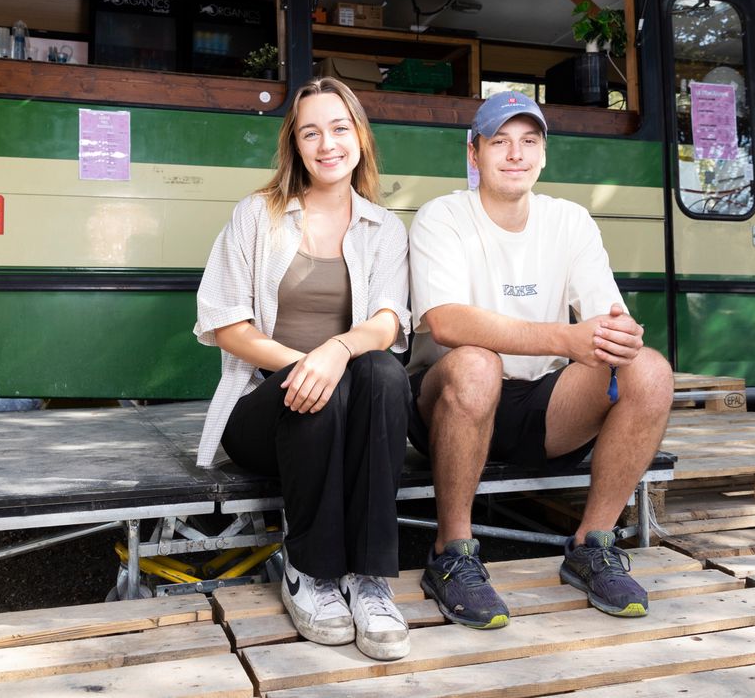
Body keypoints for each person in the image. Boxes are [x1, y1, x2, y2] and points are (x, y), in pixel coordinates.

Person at [407, 91, 673, 628]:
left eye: (528, 142)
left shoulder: (569, 220)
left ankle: (592, 545)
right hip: (449, 397)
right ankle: (452, 553)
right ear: (473, 152)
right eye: (499, 142)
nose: (514, 154)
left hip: (540, 405)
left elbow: (605, 316)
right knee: (477, 363)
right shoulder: (442, 216)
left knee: (650, 368)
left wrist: (620, 334)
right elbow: (446, 323)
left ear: (543, 155)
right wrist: (565, 338)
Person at [194, 77, 412, 660]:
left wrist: (335, 351)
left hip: (346, 394)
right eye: (310, 131)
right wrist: (308, 364)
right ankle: (310, 572)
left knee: (384, 372)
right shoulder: (257, 215)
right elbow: (227, 326)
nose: (327, 143)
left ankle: (368, 578)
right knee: (320, 385)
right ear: (295, 143)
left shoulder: (384, 228)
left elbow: (389, 323)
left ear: (360, 138)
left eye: (339, 128)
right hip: (262, 409)